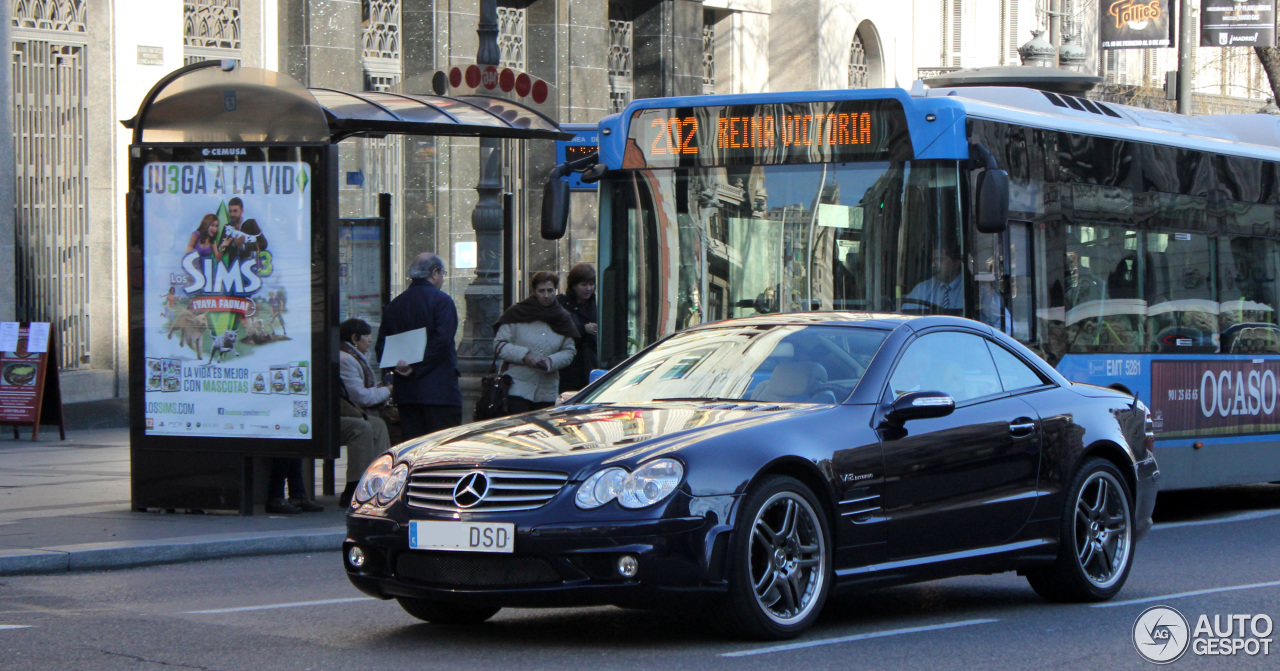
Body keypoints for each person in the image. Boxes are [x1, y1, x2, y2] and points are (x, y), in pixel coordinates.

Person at [375, 252, 462, 439]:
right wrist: (416, 366)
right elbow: (442, 340)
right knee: (442, 450)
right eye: (443, 273)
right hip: (440, 392)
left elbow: (381, 346)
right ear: (435, 273)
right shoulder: (442, 301)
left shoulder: (395, 305)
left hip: (407, 395)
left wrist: (399, 366)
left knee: (413, 449)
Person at [495, 271, 579, 413]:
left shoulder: (562, 318)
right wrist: (524, 356)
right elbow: (499, 345)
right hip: (517, 387)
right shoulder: (517, 313)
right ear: (534, 291)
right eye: (541, 291)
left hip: (547, 390)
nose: (546, 295)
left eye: (550, 291)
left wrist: (551, 361)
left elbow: (569, 350)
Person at [340, 317, 407, 442]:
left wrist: (382, 386)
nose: (370, 339)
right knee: (381, 425)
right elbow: (361, 397)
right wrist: (388, 390)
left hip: (358, 411)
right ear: (354, 338)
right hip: (353, 413)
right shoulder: (346, 360)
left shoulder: (356, 357)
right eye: (366, 335)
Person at [337, 378, 392, 507]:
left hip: (339, 410)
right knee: (361, 427)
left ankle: (379, 481)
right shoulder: (345, 360)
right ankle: (355, 485)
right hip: (322, 415)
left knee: (378, 425)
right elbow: (359, 396)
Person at [557, 263, 598, 393]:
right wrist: (583, 329)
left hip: (592, 364)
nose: (588, 289)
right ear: (573, 286)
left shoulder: (598, 304)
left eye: (591, 284)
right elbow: (559, 330)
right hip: (569, 368)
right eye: (584, 285)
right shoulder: (561, 304)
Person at [904, 245, 964, 313]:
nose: (933, 265)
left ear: (956, 263)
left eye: (940, 260)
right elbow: (905, 314)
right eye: (933, 260)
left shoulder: (968, 290)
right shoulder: (922, 289)